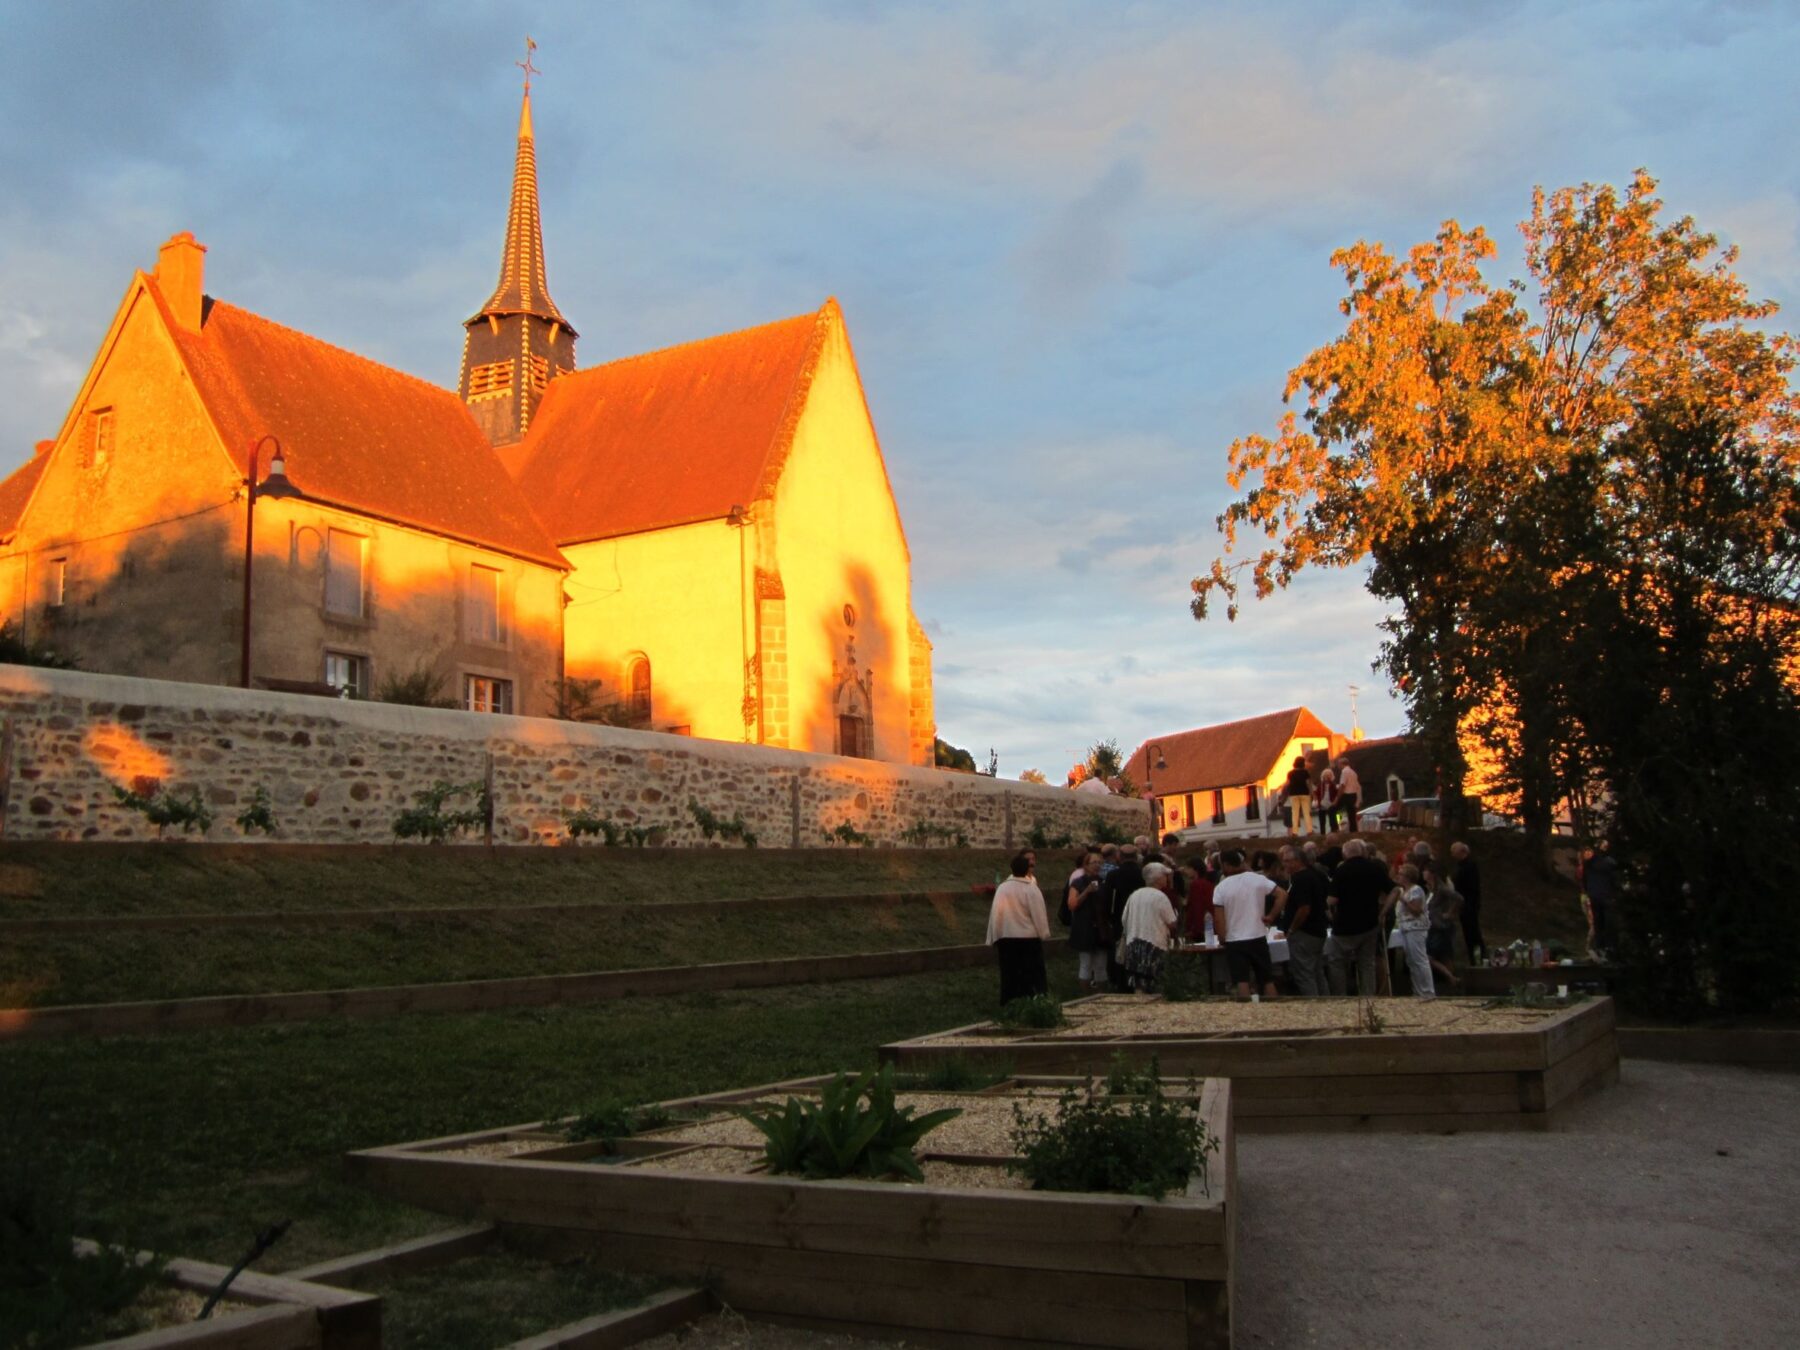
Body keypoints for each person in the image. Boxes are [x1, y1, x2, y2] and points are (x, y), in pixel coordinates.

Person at [1326, 839, 1396, 996]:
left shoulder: (1341, 871)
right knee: (1367, 964)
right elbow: (1395, 890)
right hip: (1370, 924)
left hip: (1345, 926)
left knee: (1337, 963)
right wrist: (1383, 912)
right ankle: (1368, 998)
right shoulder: (1375, 868)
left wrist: (1330, 911)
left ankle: (1340, 997)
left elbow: (1332, 899)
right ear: (1362, 851)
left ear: (1345, 853)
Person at [1214, 848, 1285, 999]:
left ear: (1226, 865)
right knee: (1266, 978)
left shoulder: (1221, 887)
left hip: (1235, 939)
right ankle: (1276, 1009)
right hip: (1257, 935)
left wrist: (1221, 937)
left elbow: (1219, 918)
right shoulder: (1257, 879)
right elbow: (1282, 894)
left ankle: (1246, 1013)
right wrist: (1271, 915)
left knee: (1241, 979)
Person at [985, 850, 1049, 1003]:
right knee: (1032, 975)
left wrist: (994, 936)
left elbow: (996, 914)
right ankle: (1034, 1003)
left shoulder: (1002, 888)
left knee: (1010, 975)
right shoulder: (1031, 889)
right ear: (1027, 869)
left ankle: (1010, 1004)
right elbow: (1039, 915)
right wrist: (1044, 933)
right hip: (1028, 940)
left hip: (1007, 939)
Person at [1120, 862, 1181, 992]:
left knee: (1138, 983)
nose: (1167, 878)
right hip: (1155, 943)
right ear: (1158, 878)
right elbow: (1171, 922)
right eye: (1165, 875)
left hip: (1133, 942)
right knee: (1156, 982)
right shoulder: (1160, 897)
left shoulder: (1134, 895)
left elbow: (1124, 919)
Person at [1278, 844, 1330, 996]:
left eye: (1288, 861)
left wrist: (1292, 929)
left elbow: (1304, 908)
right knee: (1317, 971)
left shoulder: (1301, 879)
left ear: (1298, 861)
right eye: (1284, 861)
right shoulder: (1314, 875)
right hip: (1317, 930)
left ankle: (1313, 1005)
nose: (1285, 864)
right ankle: (1327, 1002)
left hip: (1305, 932)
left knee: (1304, 973)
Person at [1102, 844, 1147, 991]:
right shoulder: (1142, 874)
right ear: (1136, 857)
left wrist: (1108, 918)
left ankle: (1122, 985)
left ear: (1119, 857)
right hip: (1141, 920)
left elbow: (1108, 900)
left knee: (1120, 956)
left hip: (1119, 920)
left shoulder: (1113, 875)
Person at [1064, 850, 1109, 990]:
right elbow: (1072, 904)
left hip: (1100, 927)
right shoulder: (1078, 883)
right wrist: (1086, 892)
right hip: (1084, 927)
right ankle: (1084, 994)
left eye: (1099, 862)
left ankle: (1101, 994)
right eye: (1093, 862)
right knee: (1086, 963)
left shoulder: (1104, 882)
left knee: (1101, 964)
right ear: (1086, 865)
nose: (1096, 865)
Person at [1393, 863, 1435, 999]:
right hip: (1405, 928)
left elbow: (1417, 910)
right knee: (1411, 960)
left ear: (1408, 877)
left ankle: (1428, 991)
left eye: (1401, 874)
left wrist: (1404, 901)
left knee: (1420, 959)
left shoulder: (1416, 890)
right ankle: (1417, 991)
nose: (1398, 876)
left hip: (1415, 928)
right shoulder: (1402, 890)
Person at [1423, 861, 1463, 989]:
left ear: (1432, 874)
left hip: (1440, 926)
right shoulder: (1432, 889)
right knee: (1443, 955)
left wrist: (1449, 913)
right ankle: (1451, 979)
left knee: (1431, 956)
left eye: (1426, 871)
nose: (1423, 873)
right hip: (1433, 926)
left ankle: (1451, 978)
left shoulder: (1441, 889)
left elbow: (1459, 898)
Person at [1583, 840, 1620, 961]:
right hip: (1606, 896)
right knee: (1608, 923)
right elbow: (1615, 880)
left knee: (1598, 923)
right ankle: (1609, 948)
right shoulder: (1610, 863)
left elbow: (1585, 880)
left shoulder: (1589, 864)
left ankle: (1600, 947)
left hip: (1595, 896)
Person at [1449, 841, 1485, 965]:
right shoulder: (1461, 866)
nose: (1452, 854)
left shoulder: (1470, 866)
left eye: (1454, 851)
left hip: (1469, 904)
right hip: (1464, 903)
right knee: (1468, 932)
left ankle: (1479, 957)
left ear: (1462, 852)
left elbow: (1470, 887)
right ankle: (1474, 957)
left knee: (1473, 932)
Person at [1283, 756, 1312, 835]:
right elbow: (1308, 783)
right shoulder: (1305, 772)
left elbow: (1287, 784)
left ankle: (1295, 832)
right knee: (1306, 812)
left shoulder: (1290, 773)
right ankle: (1309, 831)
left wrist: (1284, 793)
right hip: (1304, 793)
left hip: (1293, 794)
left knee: (1295, 813)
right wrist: (1311, 793)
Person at [1335, 758, 1361, 832]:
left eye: (1339, 764)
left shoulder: (1344, 772)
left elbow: (1342, 785)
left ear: (1342, 764)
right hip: (1354, 795)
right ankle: (1354, 830)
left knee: (1334, 809)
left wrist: (1337, 797)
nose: (1338, 766)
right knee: (1351, 814)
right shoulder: (1353, 772)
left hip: (1347, 795)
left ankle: (1336, 827)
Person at [1316, 761, 1340, 832]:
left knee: (1333, 818)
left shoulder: (1333, 785)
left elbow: (1336, 794)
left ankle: (1334, 830)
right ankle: (1322, 833)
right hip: (1322, 803)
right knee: (1322, 820)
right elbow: (1317, 793)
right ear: (1323, 776)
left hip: (1331, 803)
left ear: (1330, 776)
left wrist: (1335, 802)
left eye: (1328, 775)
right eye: (1325, 775)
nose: (1326, 777)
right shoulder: (1320, 785)